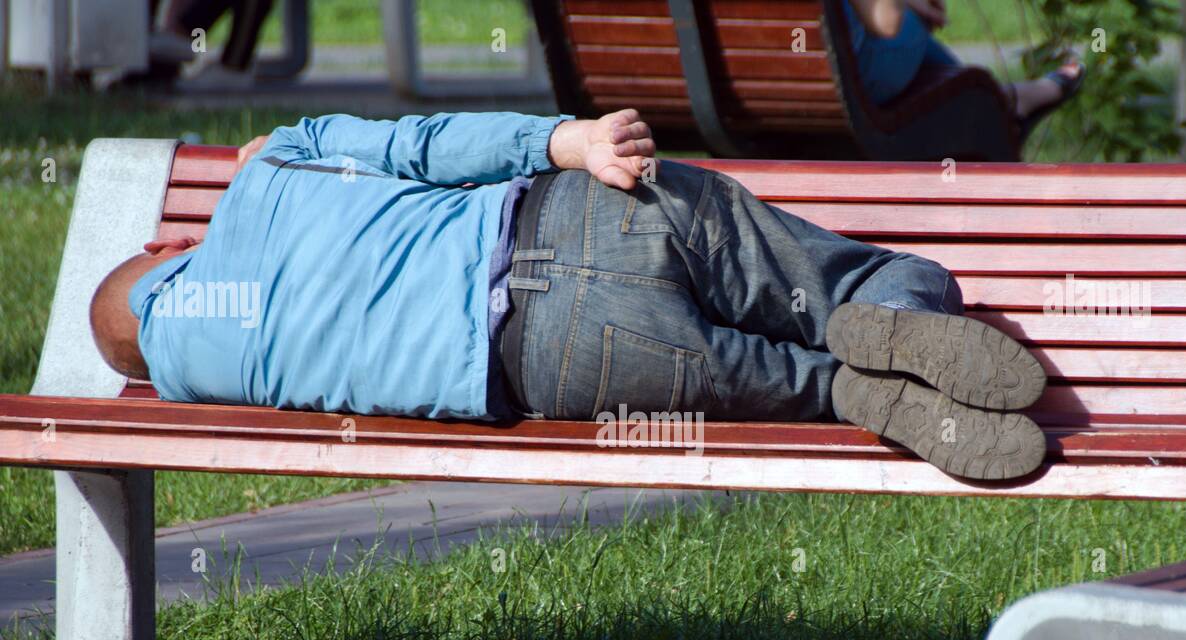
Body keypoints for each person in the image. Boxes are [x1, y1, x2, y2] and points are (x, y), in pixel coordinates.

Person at [89, 109, 1047, 481]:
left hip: (564, 363)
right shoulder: (268, 177)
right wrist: (569, 141)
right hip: (581, 216)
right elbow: (429, 146)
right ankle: (879, 318)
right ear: (167, 246)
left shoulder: (199, 375)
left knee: (803, 388)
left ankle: (854, 394)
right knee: (858, 283)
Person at [844, 0, 1085, 140]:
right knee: (914, 18)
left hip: (816, 76)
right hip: (860, 77)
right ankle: (1001, 107)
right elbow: (886, 21)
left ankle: (1000, 103)